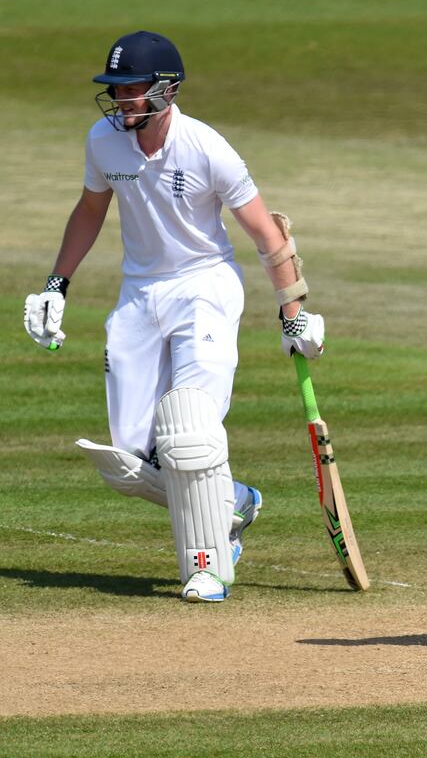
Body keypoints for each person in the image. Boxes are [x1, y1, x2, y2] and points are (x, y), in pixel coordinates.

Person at [22, 31, 325, 602]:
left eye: (130, 89)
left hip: (205, 288)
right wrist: (56, 286)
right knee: (128, 460)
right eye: (115, 90)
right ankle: (232, 500)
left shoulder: (207, 147)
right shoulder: (104, 140)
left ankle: (210, 566)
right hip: (140, 294)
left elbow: (267, 234)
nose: (120, 101)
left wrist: (295, 313)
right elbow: (90, 209)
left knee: (190, 431)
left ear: (165, 89)